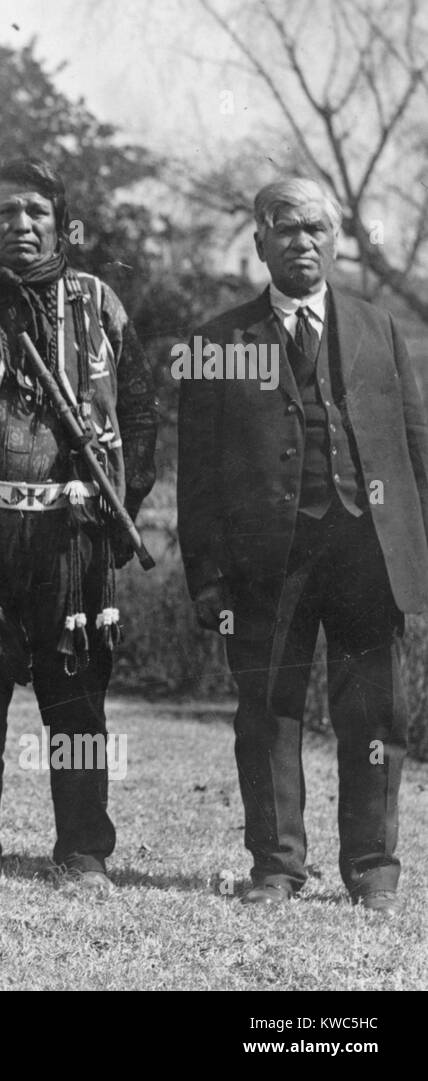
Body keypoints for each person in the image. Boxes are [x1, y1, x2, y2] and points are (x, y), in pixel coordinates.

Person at [0, 158, 157, 893]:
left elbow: (140, 412)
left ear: (60, 223)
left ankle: (82, 850)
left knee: (75, 696)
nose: (21, 225)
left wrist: (122, 508)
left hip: (71, 536)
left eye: (36, 213)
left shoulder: (98, 304)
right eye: (6, 212)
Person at [178, 178, 428, 916]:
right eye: (286, 227)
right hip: (265, 564)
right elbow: (196, 474)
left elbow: (418, 451)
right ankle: (277, 866)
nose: (304, 240)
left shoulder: (379, 328)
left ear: (338, 237)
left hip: (367, 553)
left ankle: (374, 867)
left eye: (318, 227)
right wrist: (206, 579)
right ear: (259, 239)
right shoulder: (220, 342)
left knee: (377, 714)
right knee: (266, 712)